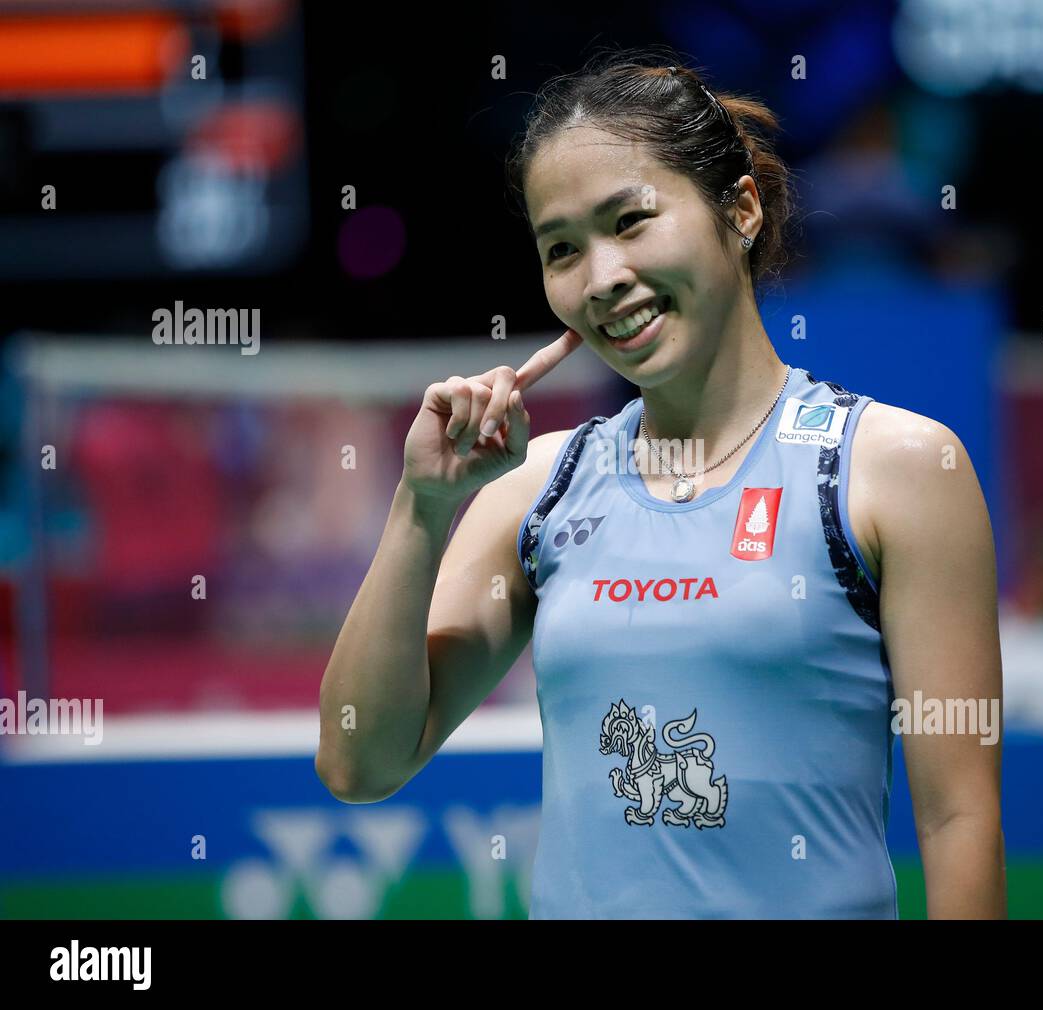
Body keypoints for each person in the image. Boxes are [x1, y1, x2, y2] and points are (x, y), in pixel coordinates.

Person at [316, 52, 1005, 919]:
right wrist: (424, 505)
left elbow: (960, 820)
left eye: (631, 221)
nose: (601, 278)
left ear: (740, 209)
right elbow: (358, 764)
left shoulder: (894, 469)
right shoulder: (537, 488)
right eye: (561, 248)